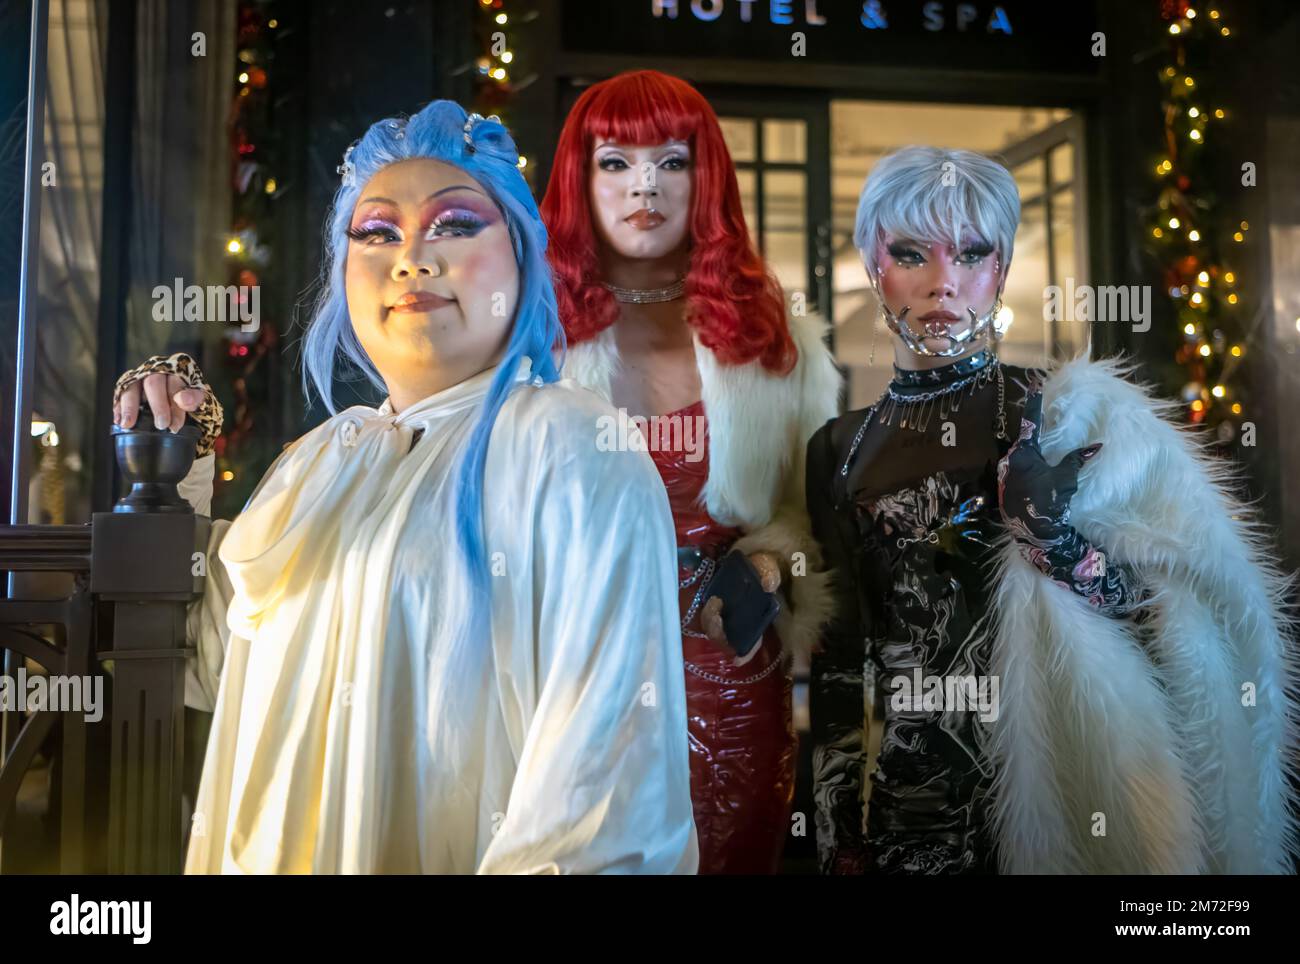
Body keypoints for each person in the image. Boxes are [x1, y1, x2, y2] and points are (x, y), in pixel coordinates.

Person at [112, 101, 698, 874]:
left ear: (523, 259)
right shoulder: (316, 462)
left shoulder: (572, 449)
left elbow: (605, 796)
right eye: (378, 233)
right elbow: (207, 667)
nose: (412, 259)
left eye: (455, 226)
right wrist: (179, 478)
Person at [808, 145, 1298, 874]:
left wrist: (1057, 543)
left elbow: (1191, 623)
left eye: (972, 253)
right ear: (873, 265)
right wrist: (835, 822)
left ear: (1000, 269)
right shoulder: (839, 448)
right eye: (912, 253)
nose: (945, 282)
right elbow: (842, 655)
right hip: (910, 803)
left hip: (1069, 791)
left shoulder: (1069, 417)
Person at [540, 70, 841, 874]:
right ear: (578, 177)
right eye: (615, 163)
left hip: (731, 674)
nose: (645, 185)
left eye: (671, 161)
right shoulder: (527, 340)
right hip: (571, 674)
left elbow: (815, 522)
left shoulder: (780, 343)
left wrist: (774, 560)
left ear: (705, 179)